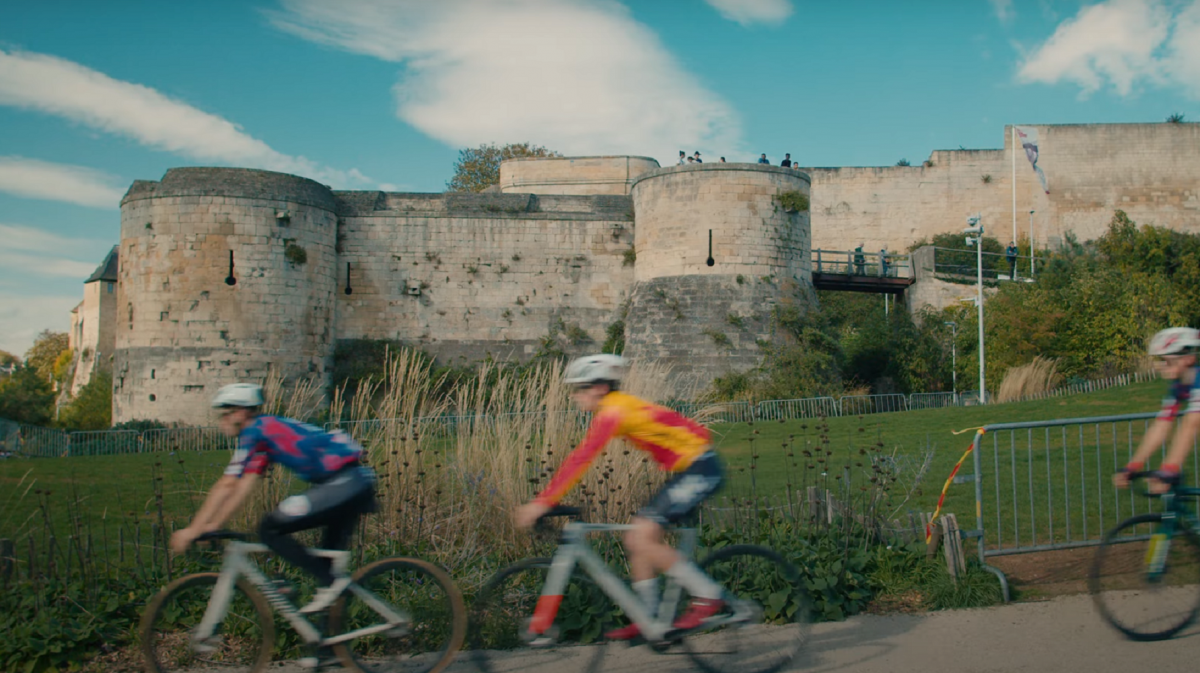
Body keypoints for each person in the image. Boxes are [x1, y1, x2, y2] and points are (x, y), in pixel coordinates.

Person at [514, 355, 726, 640]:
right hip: (689, 469)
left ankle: (708, 595)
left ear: (600, 387)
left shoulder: (614, 411)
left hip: (701, 468)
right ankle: (649, 617)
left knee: (640, 536)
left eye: (579, 389)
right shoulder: (615, 408)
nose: (574, 397)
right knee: (637, 538)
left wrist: (543, 501)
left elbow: (581, 458)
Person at [170, 383, 378, 616]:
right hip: (349, 482)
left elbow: (227, 484)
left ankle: (332, 585)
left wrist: (193, 530)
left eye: (226, 414)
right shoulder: (264, 437)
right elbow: (243, 487)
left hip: (346, 482)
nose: (222, 421)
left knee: (269, 528)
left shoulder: (256, 430)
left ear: (243, 412)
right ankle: (325, 644)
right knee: (326, 577)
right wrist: (215, 524)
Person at [1115, 328, 1200, 494]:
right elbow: (1161, 425)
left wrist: (1169, 469)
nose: (1161, 366)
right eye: (1160, 360)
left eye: (1166, 361)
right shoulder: (1179, 387)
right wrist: (1132, 466)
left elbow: (1191, 424)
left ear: (1188, 359)